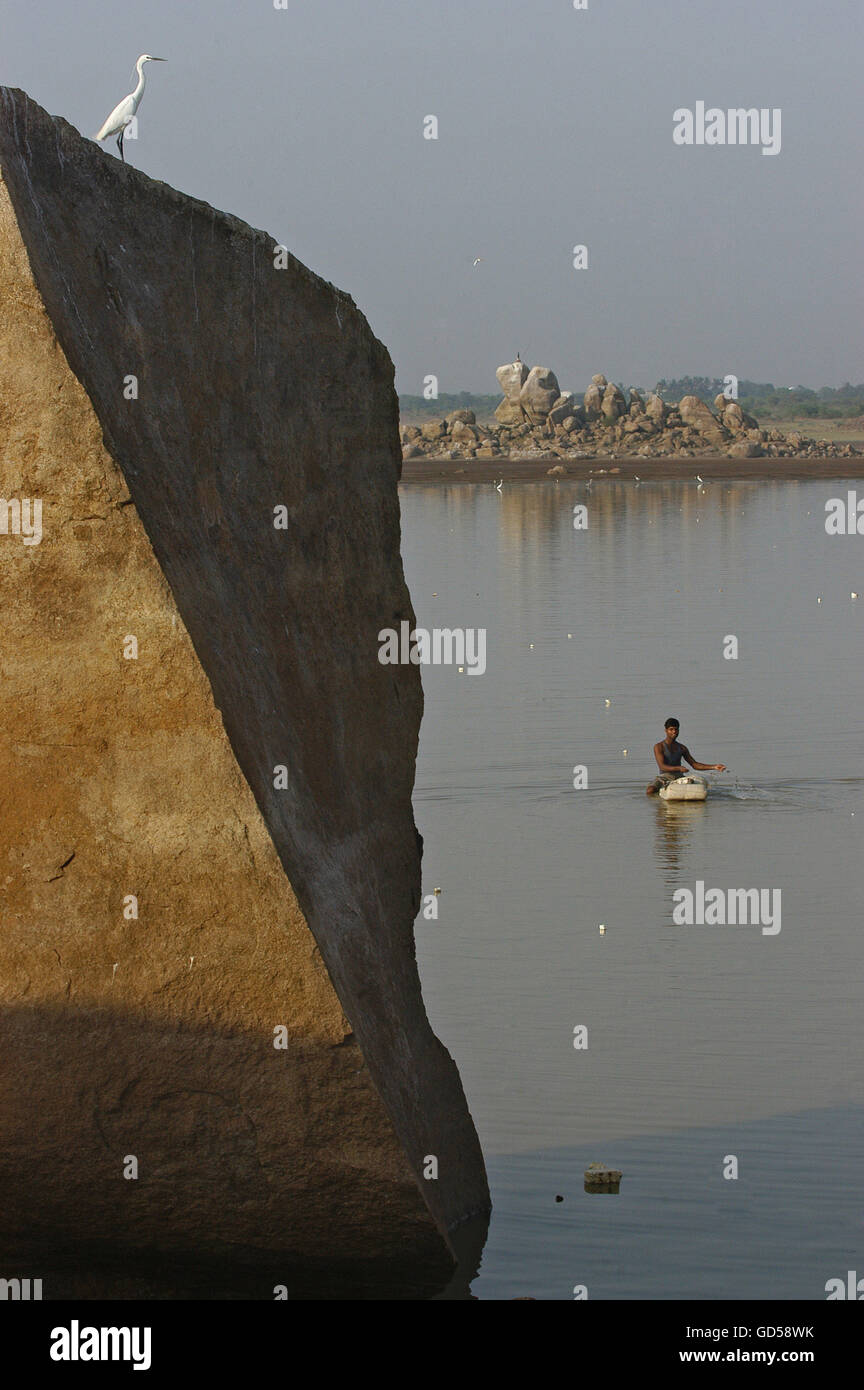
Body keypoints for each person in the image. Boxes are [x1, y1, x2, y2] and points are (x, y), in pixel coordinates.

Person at [646, 718, 726, 795]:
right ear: (666, 731)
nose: (674, 732)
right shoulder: (659, 746)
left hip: (679, 777)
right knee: (650, 790)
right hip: (664, 777)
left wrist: (714, 767)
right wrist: (678, 768)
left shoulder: (682, 748)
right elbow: (662, 766)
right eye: (671, 729)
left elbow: (695, 765)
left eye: (676, 729)